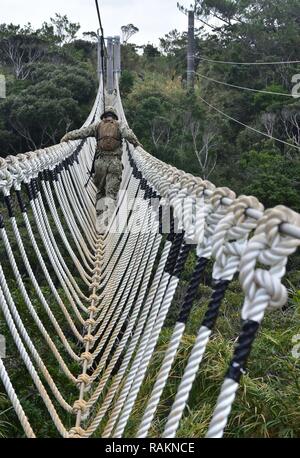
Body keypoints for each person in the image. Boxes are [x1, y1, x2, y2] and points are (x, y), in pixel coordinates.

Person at [60, 106, 142, 204]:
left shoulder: (97, 126)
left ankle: (100, 215)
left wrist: (67, 136)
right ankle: (108, 218)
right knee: (110, 195)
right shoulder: (120, 125)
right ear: (115, 117)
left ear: (104, 117)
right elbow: (128, 135)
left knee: (100, 193)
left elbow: (81, 133)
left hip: (100, 164)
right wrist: (137, 144)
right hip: (114, 164)